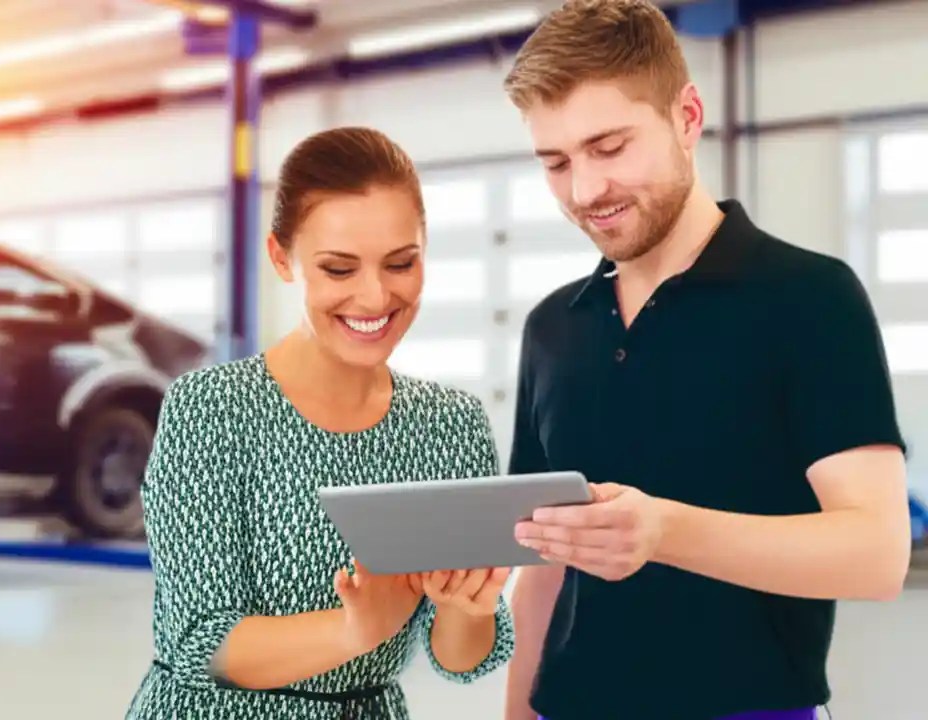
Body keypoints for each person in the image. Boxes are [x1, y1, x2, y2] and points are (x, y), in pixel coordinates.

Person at [498, 2, 911, 719]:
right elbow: (543, 568)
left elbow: (877, 553)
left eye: (610, 146)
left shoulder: (810, 298)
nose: (585, 190)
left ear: (687, 118)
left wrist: (663, 532)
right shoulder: (550, 329)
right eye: (556, 163)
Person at [124, 126, 515, 720]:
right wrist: (355, 630)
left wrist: (473, 605)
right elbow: (198, 639)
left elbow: (461, 659)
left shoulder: (451, 426)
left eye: (400, 263)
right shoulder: (210, 408)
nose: (375, 296)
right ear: (282, 257)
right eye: (338, 269)